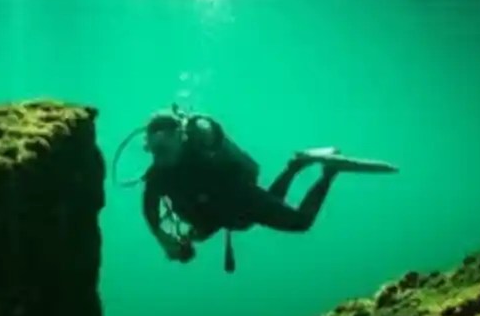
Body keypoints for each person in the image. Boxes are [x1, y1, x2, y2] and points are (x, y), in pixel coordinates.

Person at [112, 105, 398, 271]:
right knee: (250, 215)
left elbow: (214, 138)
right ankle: (295, 165)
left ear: (180, 137)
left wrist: (205, 130)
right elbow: (149, 208)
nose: (160, 154)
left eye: (166, 144)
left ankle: (329, 173)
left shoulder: (199, 150)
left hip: (240, 200)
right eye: (155, 148)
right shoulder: (158, 176)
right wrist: (166, 240)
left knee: (299, 222)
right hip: (224, 215)